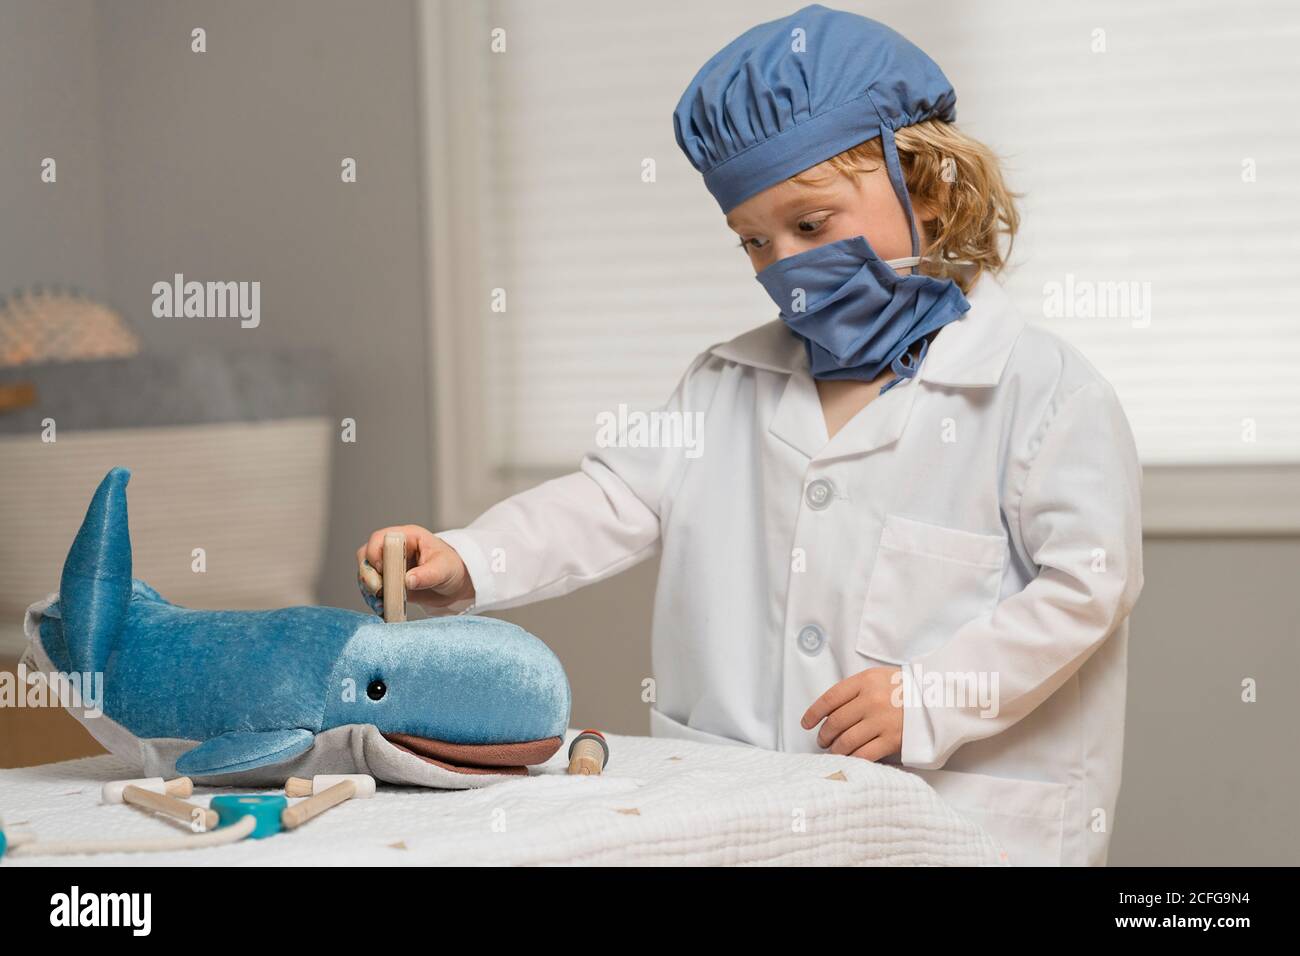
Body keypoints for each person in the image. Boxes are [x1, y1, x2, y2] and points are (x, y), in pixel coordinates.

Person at [360, 5, 1142, 866]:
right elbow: (609, 499)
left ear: (928, 186)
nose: (785, 267)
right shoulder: (725, 384)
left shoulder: (1043, 393)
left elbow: (1085, 591)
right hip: (740, 816)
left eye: (812, 226)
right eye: (754, 242)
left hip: (958, 822)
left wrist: (932, 698)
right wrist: (473, 558)